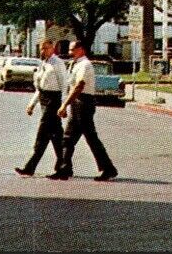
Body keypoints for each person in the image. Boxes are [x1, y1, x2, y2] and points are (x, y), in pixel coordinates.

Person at [51, 41, 117, 181]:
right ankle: (64, 168)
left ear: (81, 49)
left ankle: (108, 168)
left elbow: (79, 86)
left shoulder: (85, 65)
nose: (70, 52)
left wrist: (64, 105)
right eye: (69, 49)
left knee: (89, 138)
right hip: (77, 103)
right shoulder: (74, 64)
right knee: (68, 138)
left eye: (72, 49)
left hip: (83, 103)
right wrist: (68, 103)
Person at [15, 41, 66, 177]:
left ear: (53, 49)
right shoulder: (43, 64)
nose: (43, 51)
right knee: (55, 136)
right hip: (44, 99)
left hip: (53, 101)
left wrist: (63, 105)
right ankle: (64, 166)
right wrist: (32, 104)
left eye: (46, 48)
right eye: (42, 49)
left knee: (42, 134)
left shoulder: (58, 63)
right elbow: (40, 88)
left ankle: (30, 167)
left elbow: (64, 85)